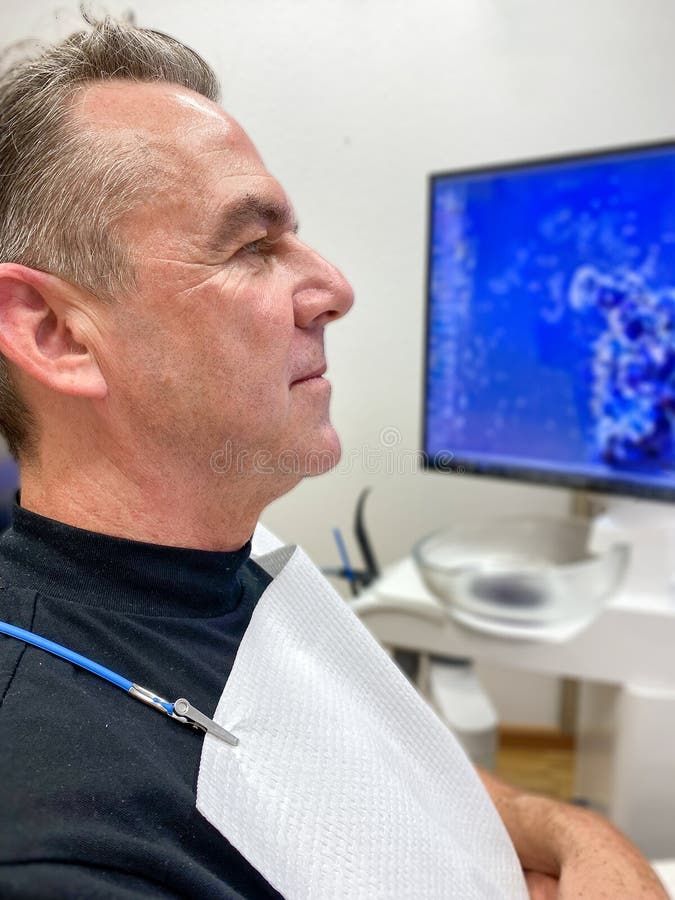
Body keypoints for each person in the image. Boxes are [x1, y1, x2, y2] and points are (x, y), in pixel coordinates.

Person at [0, 16, 667, 899]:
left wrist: (580, 837)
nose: (335, 290)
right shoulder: (63, 849)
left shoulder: (227, 563)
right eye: (251, 245)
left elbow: (403, 777)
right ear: (56, 333)